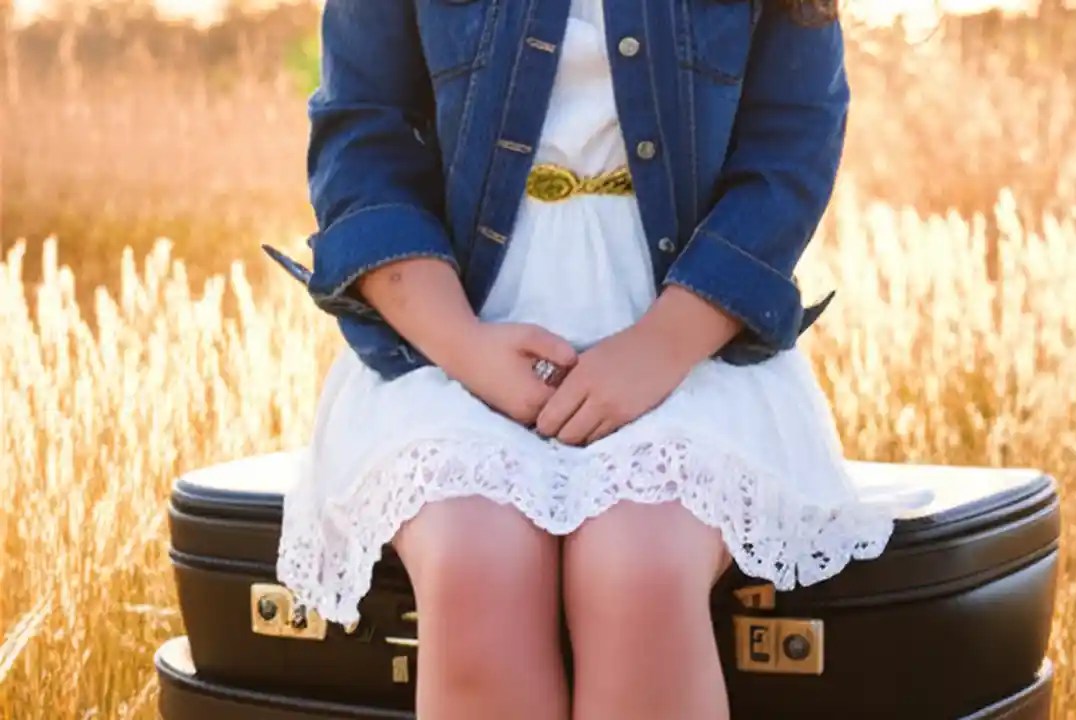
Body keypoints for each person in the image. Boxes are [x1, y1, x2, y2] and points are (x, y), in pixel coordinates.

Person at [265, 1, 932, 718]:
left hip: (692, 350)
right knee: (474, 562)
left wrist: (660, 346)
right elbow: (361, 139)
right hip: (449, 348)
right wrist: (466, 347)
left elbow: (791, 147)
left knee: (638, 569)